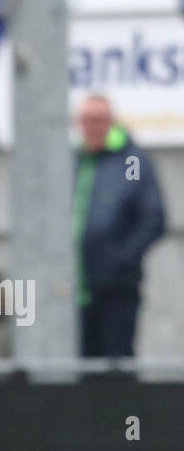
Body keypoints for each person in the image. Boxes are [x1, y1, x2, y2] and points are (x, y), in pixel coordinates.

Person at [73, 94, 166, 357]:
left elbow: (151, 216)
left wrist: (121, 258)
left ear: (111, 122)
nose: (93, 126)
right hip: (71, 287)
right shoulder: (74, 161)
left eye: (100, 120)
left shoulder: (130, 161)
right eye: (88, 120)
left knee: (116, 362)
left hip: (116, 289)